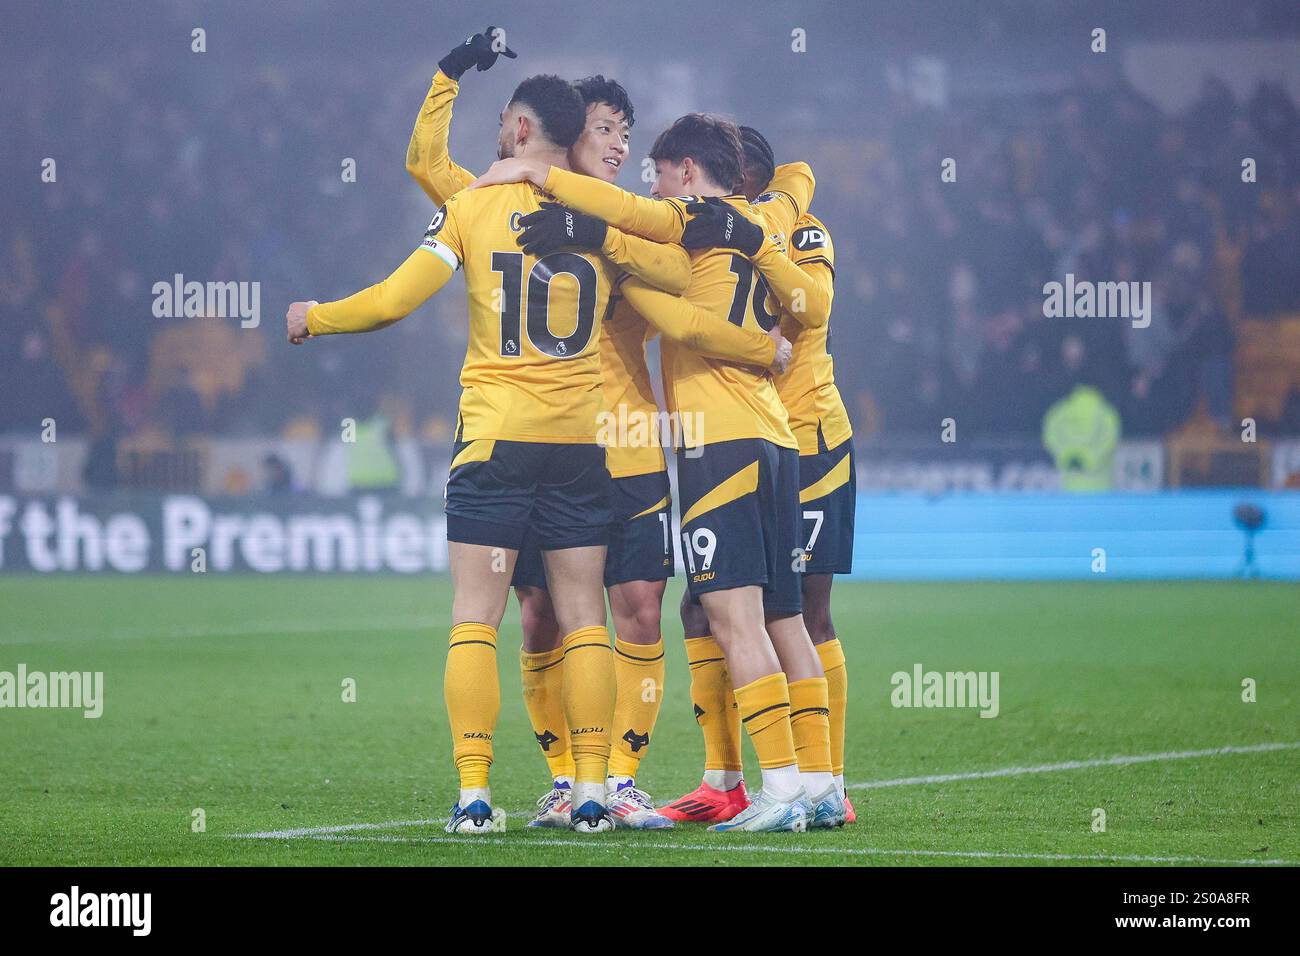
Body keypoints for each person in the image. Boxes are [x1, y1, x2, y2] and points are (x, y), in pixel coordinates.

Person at [471, 114, 844, 832]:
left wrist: (539, 177)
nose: (651, 179)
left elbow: (645, 255)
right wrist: (764, 262)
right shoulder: (763, 220)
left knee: (734, 618)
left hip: (716, 442)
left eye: (659, 167)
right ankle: (817, 784)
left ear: (684, 171)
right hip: (775, 437)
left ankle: (780, 790)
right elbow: (814, 295)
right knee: (783, 615)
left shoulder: (685, 222)